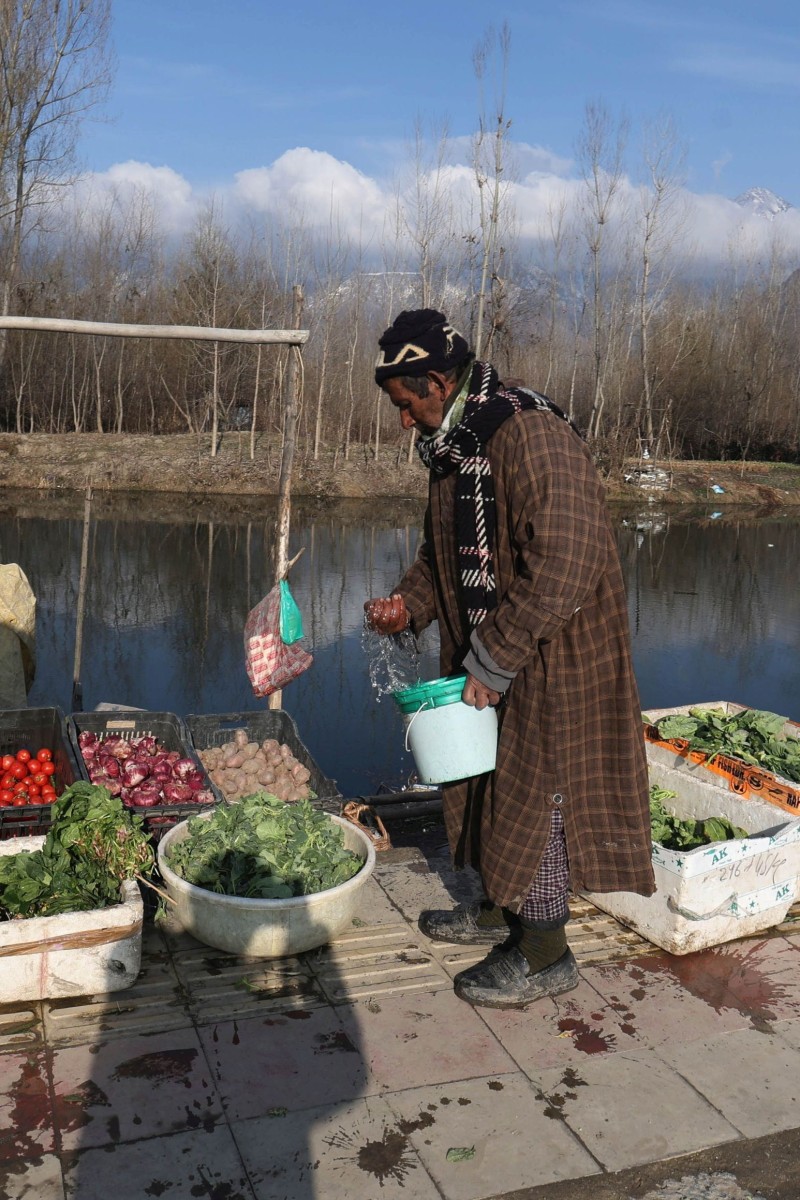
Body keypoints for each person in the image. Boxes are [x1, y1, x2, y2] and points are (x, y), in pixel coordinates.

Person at [365, 308, 655, 1010]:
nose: (404, 422)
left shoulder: (526, 432)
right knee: (486, 784)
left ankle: (545, 952)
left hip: (554, 653)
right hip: (496, 650)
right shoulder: (458, 444)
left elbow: (569, 557)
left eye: (407, 405)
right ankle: (502, 906)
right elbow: (442, 555)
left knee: (539, 796)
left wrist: (494, 661)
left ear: (437, 380)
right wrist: (409, 604)